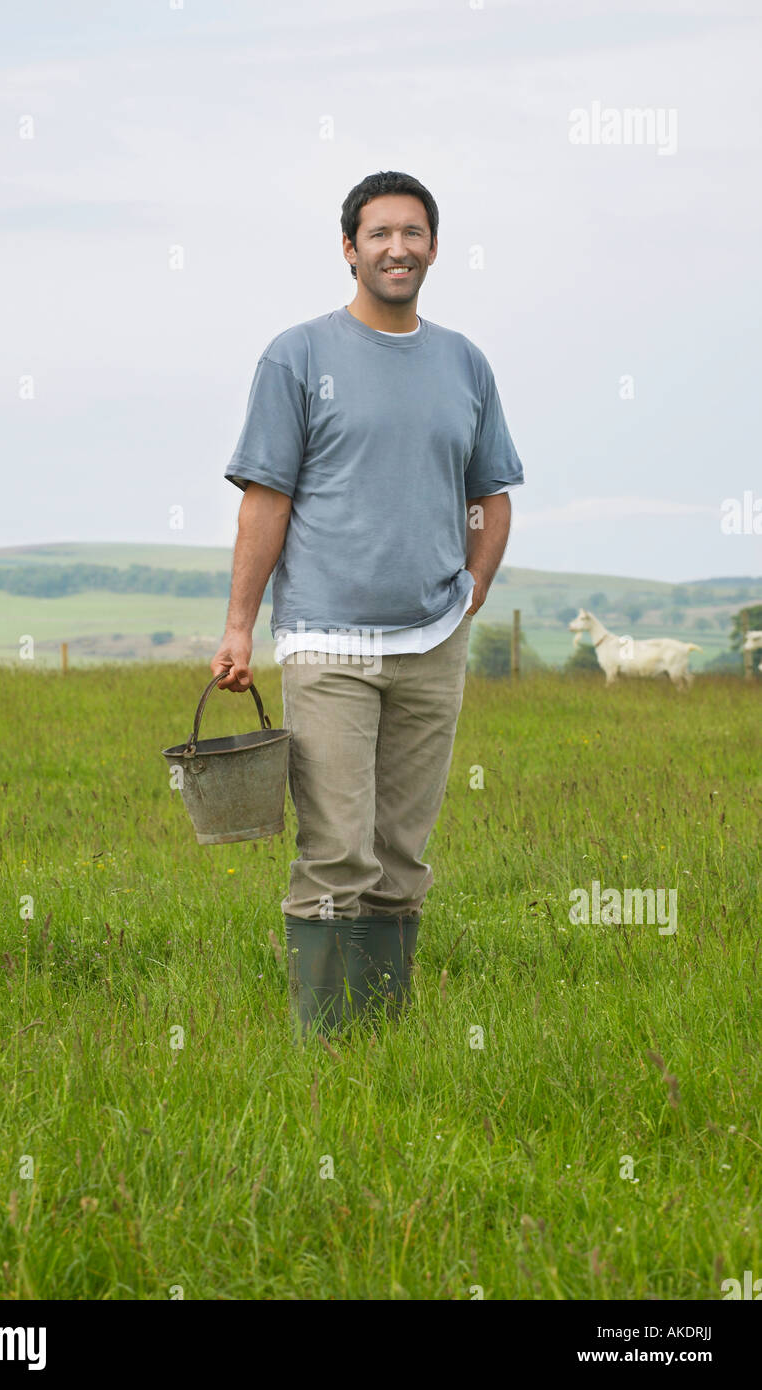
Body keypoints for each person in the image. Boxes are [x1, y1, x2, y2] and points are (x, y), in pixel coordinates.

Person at [210, 170, 524, 1037]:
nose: (397, 248)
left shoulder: (464, 362)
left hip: (432, 641)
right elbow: (265, 498)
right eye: (379, 234)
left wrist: (474, 586)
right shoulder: (298, 356)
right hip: (324, 638)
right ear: (349, 248)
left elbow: (492, 492)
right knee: (336, 848)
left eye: (413, 233)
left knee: (399, 855)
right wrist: (240, 624)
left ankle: (380, 1043)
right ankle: (323, 1048)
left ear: (432, 247)